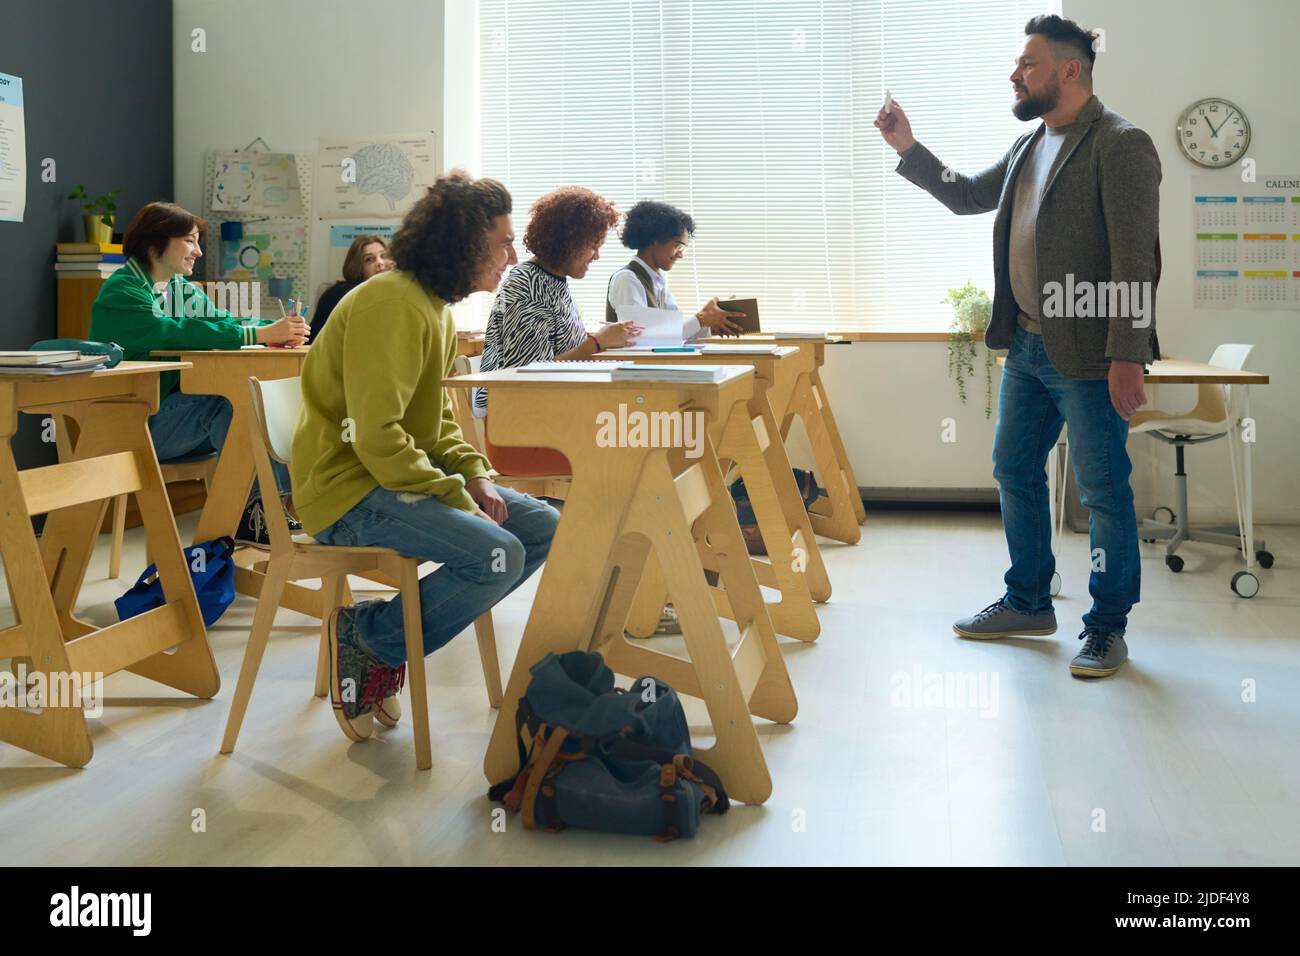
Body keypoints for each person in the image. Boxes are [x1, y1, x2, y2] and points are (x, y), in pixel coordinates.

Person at [875, 14, 1160, 678]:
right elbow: (968, 196)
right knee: (1014, 472)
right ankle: (1029, 601)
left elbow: (1134, 260)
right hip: (1029, 347)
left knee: (1102, 492)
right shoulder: (1032, 144)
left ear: (1070, 70)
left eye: (1027, 64)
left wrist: (1126, 354)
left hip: (1092, 354)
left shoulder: (1120, 144)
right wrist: (908, 148)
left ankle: (1107, 626)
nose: (1014, 74)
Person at [293, 171, 560, 741]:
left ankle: (383, 635)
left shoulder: (433, 308)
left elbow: (433, 421)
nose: (513, 256)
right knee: (497, 556)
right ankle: (374, 638)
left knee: (542, 525)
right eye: (502, 243)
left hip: (386, 480)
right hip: (348, 492)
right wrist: (454, 492)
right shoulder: (390, 306)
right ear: (462, 245)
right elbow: (377, 436)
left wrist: (476, 474)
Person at [89, 201, 309, 546]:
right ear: (155, 243)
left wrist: (276, 329)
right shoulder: (122, 292)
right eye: (190, 240)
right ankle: (264, 507)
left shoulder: (180, 289)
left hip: (167, 420)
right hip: (131, 427)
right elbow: (173, 330)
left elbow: (222, 323)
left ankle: (265, 508)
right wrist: (264, 336)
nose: (198, 250)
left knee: (245, 405)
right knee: (226, 402)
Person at [473, 185, 641, 476]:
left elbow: (560, 344)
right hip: (521, 437)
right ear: (569, 242)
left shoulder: (553, 281)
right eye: (593, 245)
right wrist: (597, 343)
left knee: (659, 437)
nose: (596, 256)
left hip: (555, 425)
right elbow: (527, 376)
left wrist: (603, 338)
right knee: (652, 445)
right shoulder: (527, 285)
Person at [606, 200, 747, 337]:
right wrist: (701, 319)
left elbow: (676, 334)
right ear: (656, 239)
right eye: (677, 245)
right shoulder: (627, 279)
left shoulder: (657, 282)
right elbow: (639, 337)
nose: (680, 255)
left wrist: (714, 321)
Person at [309, 234, 393, 340]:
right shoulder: (343, 292)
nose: (380, 263)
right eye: (369, 259)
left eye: (383, 256)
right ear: (358, 267)